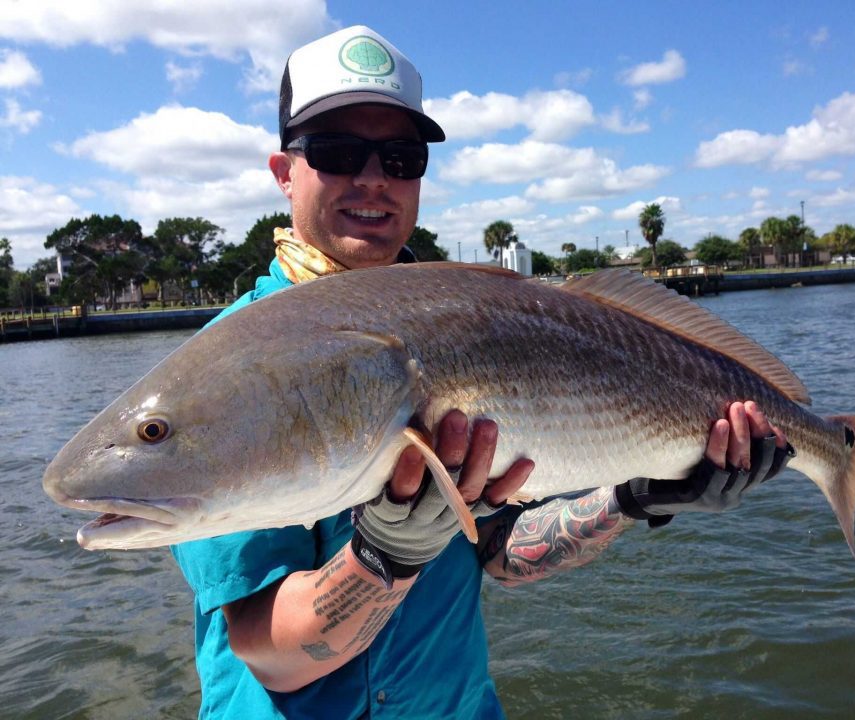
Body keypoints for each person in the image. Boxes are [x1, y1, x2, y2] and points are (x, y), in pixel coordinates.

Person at [172, 25, 792, 719]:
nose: (373, 178)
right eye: (338, 151)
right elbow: (270, 656)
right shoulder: (225, 376)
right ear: (285, 173)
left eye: (402, 157)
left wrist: (636, 497)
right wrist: (384, 556)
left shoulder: (470, 324)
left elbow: (500, 553)